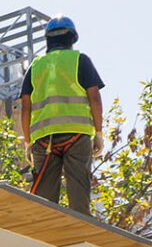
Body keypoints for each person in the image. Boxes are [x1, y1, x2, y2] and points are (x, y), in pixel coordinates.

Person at [18, 16, 104, 214]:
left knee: (44, 201)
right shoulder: (80, 61)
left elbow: (25, 105)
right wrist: (98, 132)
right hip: (76, 135)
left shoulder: (36, 66)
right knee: (78, 191)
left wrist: (28, 142)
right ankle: (81, 233)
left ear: (48, 39)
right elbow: (95, 98)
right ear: (72, 39)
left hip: (43, 140)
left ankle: (47, 236)